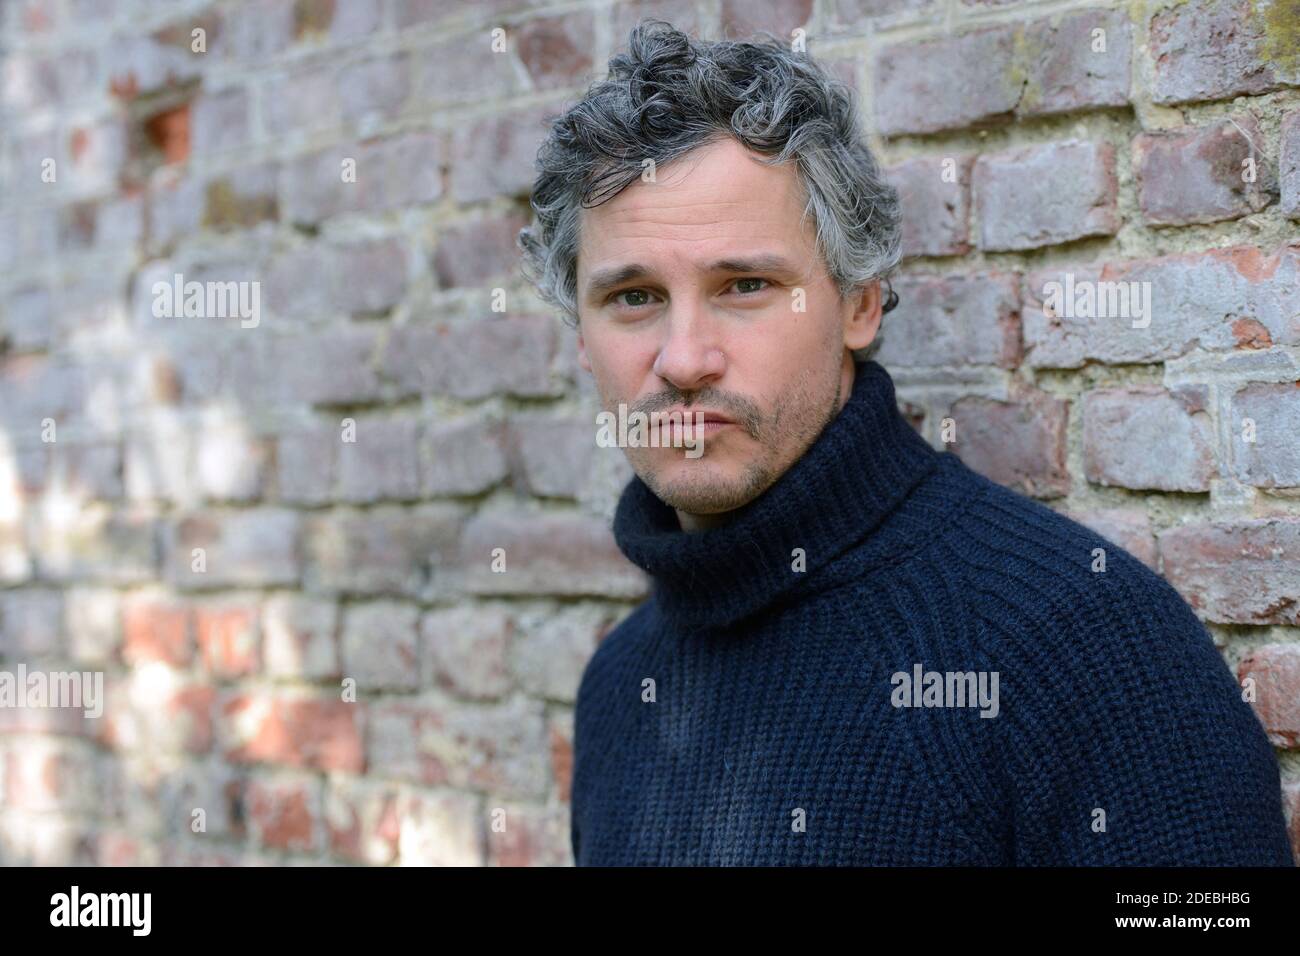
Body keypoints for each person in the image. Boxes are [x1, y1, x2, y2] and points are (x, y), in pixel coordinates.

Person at [516, 19, 1295, 866]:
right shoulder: (620, 687)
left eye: (746, 285)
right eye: (632, 297)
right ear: (581, 336)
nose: (683, 359)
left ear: (860, 305)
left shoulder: (1083, 644)